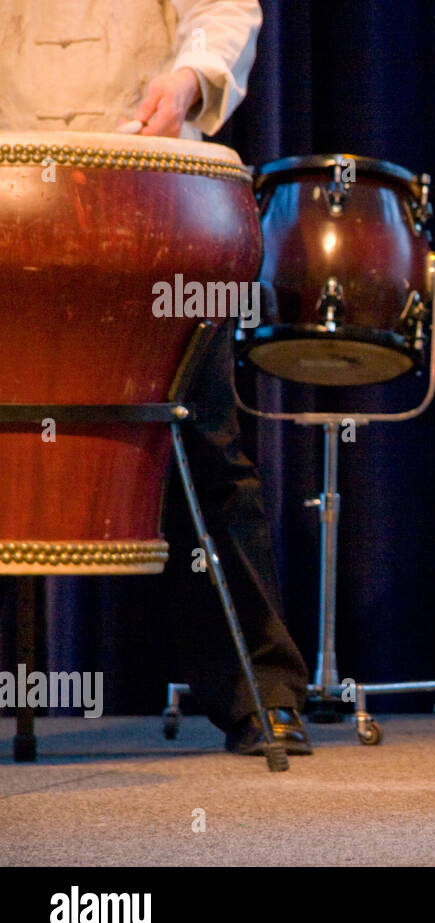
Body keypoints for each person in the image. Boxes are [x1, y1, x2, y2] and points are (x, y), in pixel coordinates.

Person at [0, 0, 312, 756]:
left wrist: (187, 82)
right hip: (11, 201)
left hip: (147, 196)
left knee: (207, 447)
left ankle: (259, 691)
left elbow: (223, 11)